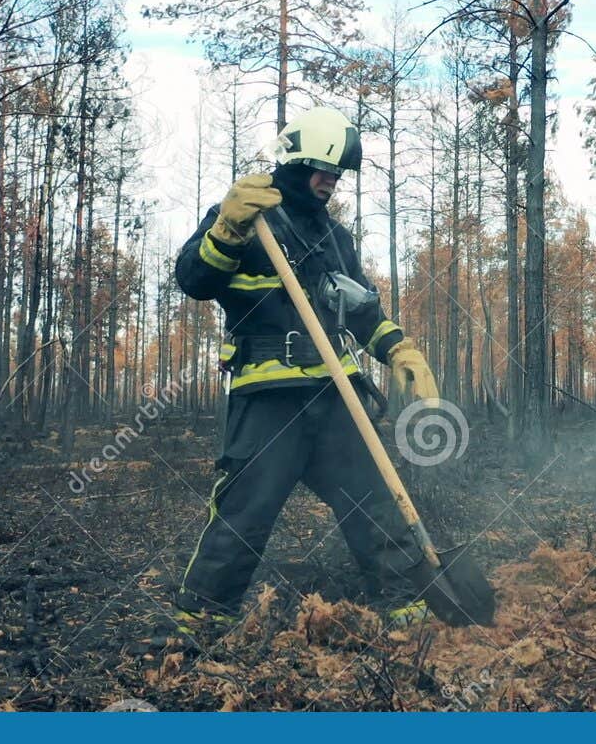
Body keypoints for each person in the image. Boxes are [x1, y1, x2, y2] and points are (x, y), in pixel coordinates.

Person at [172, 105, 440, 634]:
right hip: (268, 395)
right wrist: (226, 230)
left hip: (334, 393)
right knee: (246, 508)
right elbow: (193, 278)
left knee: (373, 496)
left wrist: (398, 351)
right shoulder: (245, 216)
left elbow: (362, 312)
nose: (331, 182)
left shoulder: (336, 240)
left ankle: (407, 603)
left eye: (338, 174)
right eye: (324, 170)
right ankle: (200, 618)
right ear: (296, 163)